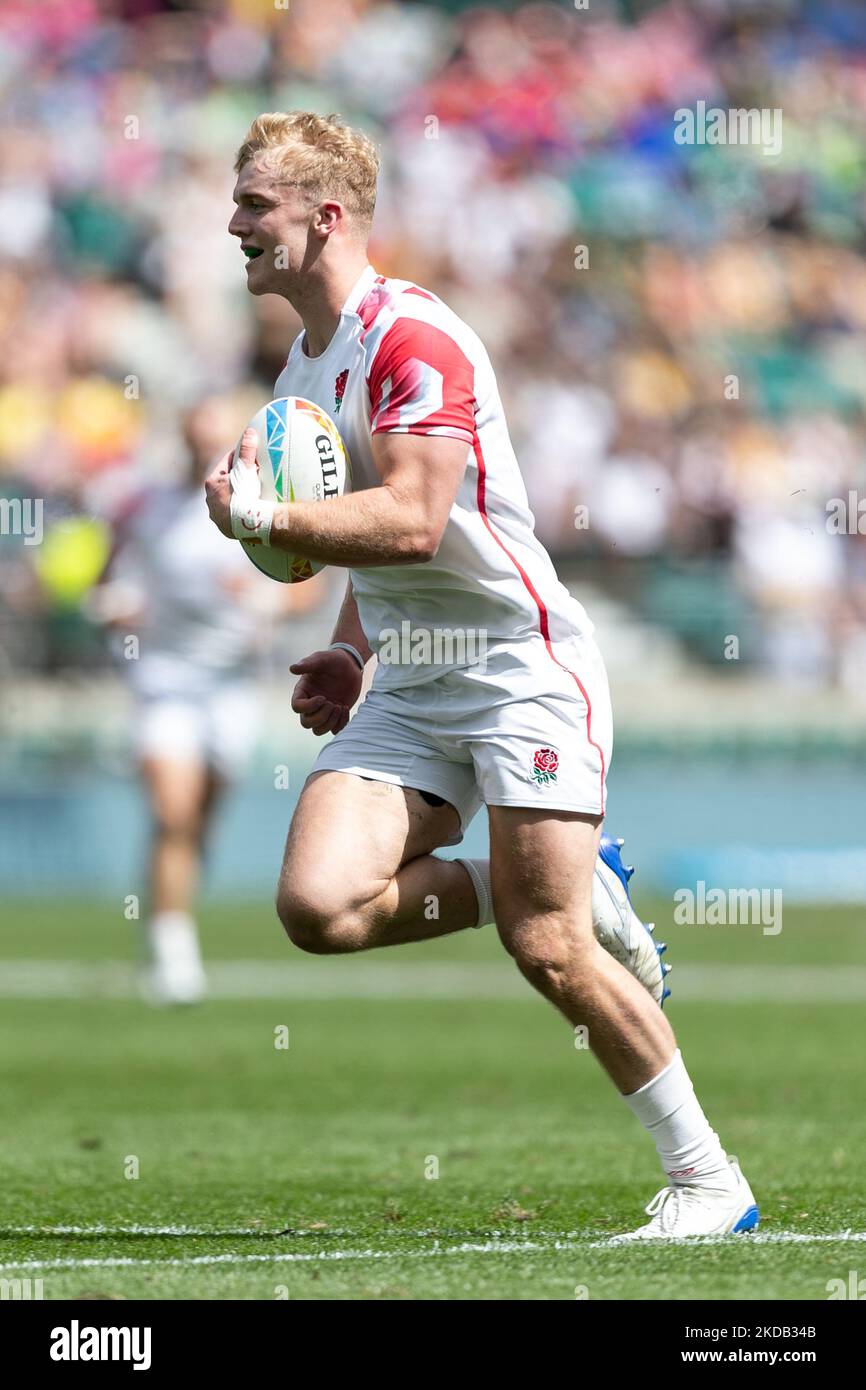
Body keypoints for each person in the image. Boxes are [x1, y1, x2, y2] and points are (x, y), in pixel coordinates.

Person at [205, 112, 757, 1239]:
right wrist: (352, 649)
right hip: (408, 679)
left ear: (324, 218)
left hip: (516, 665)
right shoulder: (303, 366)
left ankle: (708, 1182)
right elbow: (371, 538)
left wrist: (260, 515)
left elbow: (412, 519)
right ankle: (568, 880)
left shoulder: (415, 336)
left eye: (254, 205)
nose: (233, 223)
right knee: (318, 905)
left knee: (544, 944)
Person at [95, 395, 323, 1004]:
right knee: (173, 813)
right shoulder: (146, 506)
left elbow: (304, 588)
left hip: (232, 687)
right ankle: (174, 953)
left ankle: (169, 910)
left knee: (197, 823)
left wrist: (257, 600)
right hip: (164, 682)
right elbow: (110, 582)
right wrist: (118, 607)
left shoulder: (271, 502)